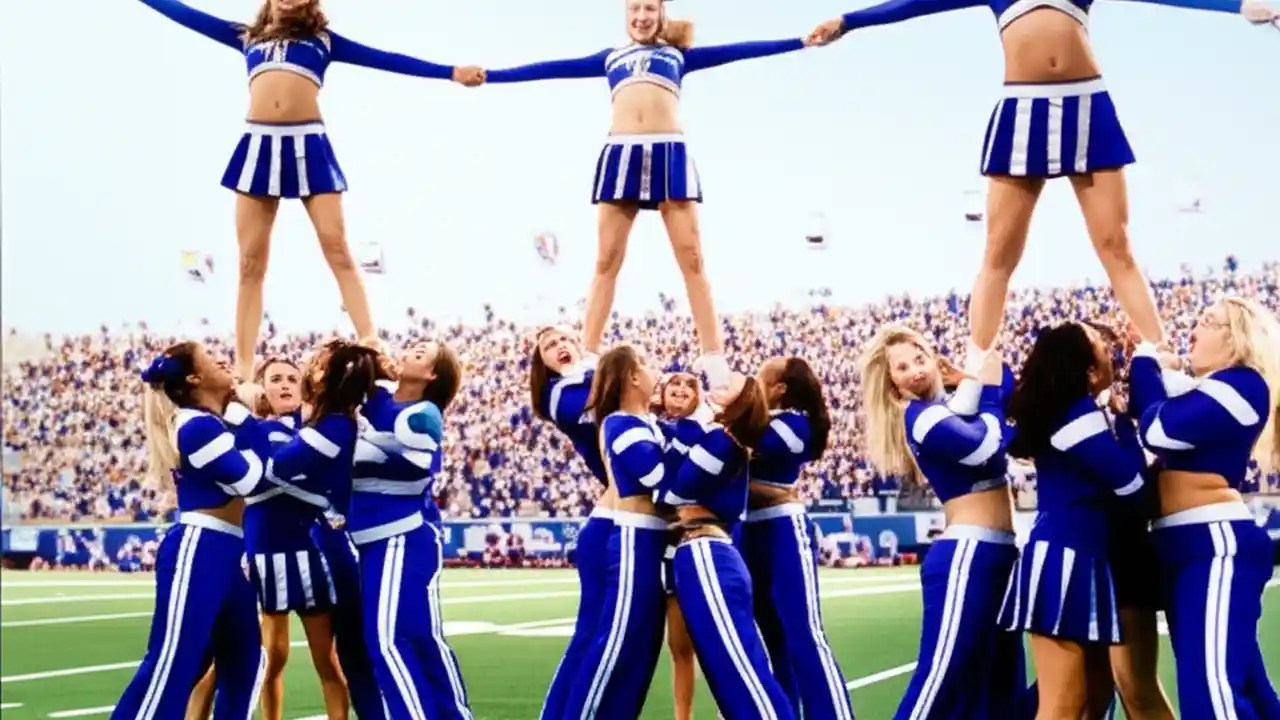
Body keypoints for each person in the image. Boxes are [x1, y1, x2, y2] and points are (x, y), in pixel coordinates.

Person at [806, 0, 1279, 380]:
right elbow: (917, 5)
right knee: (1000, 252)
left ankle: (1162, 357)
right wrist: (849, 20)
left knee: (1116, 245)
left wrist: (1241, 5)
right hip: (1023, 110)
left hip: (1087, 106)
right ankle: (976, 367)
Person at [131, 0, 484, 381]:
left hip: (309, 145)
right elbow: (186, 14)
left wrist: (451, 72)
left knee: (337, 247)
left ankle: (370, 341)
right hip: (259, 146)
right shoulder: (247, 37)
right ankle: (246, 371)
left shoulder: (324, 41)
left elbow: (387, 59)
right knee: (250, 264)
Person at [485, 0, 816, 392]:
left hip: (668, 151)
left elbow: (740, 50)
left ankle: (714, 360)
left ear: (661, 14)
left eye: (649, 8)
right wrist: (490, 75)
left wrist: (801, 40)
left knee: (692, 259)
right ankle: (588, 357)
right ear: (626, 14)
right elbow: (549, 69)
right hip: (621, 154)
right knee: (607, 260)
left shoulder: (677, 55)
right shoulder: (611, 58)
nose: (641, 16)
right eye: (634, 9)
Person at [859, 326, 1026, 719]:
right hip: (967, 557)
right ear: (894, 386)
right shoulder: (922, 417)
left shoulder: (955, 408)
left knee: (999, 686)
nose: (915, 370)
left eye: (920, 358)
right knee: (938, 682)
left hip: (1002, 555)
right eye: (902, 367)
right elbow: (984, 443)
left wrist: (977, 383)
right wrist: (984, 388)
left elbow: (1009, 416)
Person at [1129, 297, 1280, 719]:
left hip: (1213, 543)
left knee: (1211, 698)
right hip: (1184, 544)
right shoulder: (1212, 388)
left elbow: (1158, 428)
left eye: (1207, 321)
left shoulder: (1246, 383)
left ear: (1236, 340)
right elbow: (1167, 403)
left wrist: (1144, 357)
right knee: (1249, 689)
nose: (1194, 327)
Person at [1000, 323, 1148, 718]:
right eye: (1101, 345)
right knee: (1063, 703)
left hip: (1082, 559)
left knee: (1095, 697)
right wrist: (1126, 426)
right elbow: (1132, 486)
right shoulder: (1077, 415)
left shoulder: (1075, 412)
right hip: (1064, 559)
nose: (1110, 349)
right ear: (1087, 368)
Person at [112, 342, 267, 720]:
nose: (224, 361)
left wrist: (239, 420)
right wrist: (245, 418)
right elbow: (250, 479)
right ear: (196, 378)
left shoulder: (214, 423)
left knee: (246, 660)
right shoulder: (194, 425)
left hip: (230, 550)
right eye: (213, 359)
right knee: (172, 662)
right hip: (200, 546)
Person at [349, 339, 472, 719]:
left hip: (399, 534)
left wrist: (358, 443)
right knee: (422, 638)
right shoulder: (376, 395)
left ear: (432, 375)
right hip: (380, 537)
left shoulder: (422, 413)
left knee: (386, 641)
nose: (407, 352)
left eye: (421, 355)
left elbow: (414, 467)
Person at [739, 357, 854, 719]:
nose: (756, 375)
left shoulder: (793, 424)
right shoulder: (760, 419)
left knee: (804, 635)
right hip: (749, 530)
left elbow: (737, 457)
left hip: (783, 529)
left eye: (764, 372)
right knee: (772, 639)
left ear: (781, 388)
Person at [562, 344, 672, 719]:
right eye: (648, 362)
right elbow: (661, 480)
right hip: (630, 537)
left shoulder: (647, 422)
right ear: (634, 376)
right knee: (613, 643)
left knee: (640, 645)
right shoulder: (622, 422)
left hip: (647, 537)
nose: (657, 370)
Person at [528, 326, 616, 720]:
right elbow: (604, 405)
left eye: (565, 338)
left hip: (640, 517)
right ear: (542, 365)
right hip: (617, 522)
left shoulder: (596, 374)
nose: (560, 345)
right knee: (598, 639)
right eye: (549, 345)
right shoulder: (562, 394)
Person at [653, 370, 713, 720]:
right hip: (667, 543)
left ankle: (729, 709)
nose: (679, 390)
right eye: (673, 385)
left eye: (688, 387)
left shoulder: (705, 432)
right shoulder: (651, 429)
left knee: (717, 640)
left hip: (700, 539)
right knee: (678, 646)